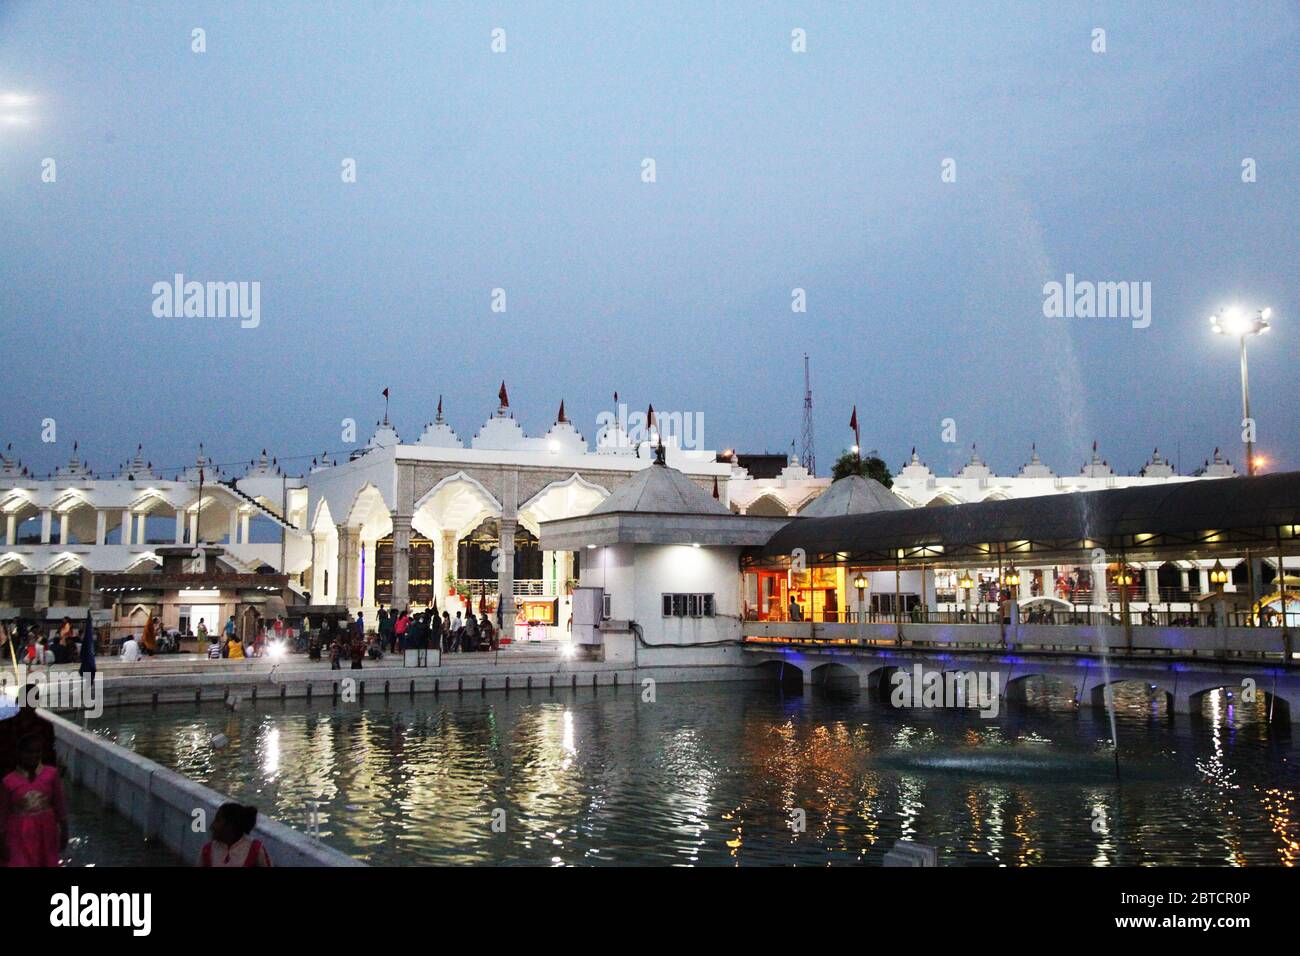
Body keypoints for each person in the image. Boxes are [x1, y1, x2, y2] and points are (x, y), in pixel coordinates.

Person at [0, 733, 69, 867]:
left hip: (46, 829)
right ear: (20, 753)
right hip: (18, 832)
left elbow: (59, 804)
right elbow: (2, 814)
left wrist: (64, 831)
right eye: (29, 752)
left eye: (37, 751)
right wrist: (1, 842)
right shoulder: (8, 781)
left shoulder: (51, 774)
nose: (33, 756)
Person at [199, 802, 272, 867]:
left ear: (230, 826)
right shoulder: (208, 850)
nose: (213, 826)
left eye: (218, 820)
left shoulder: (255, 849)